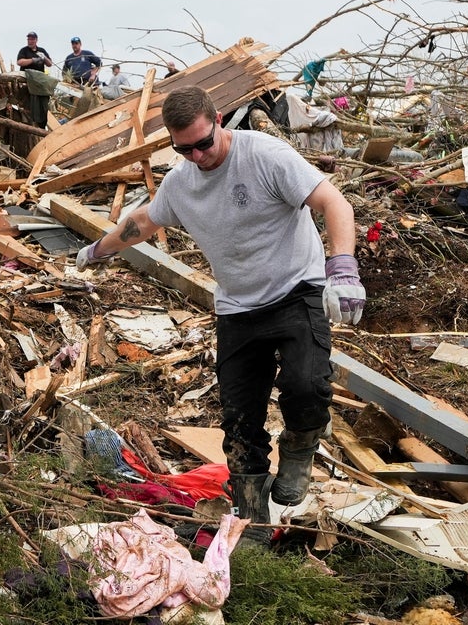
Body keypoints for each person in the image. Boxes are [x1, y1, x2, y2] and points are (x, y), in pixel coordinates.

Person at [75, 86, 365, 544]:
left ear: (219, 120)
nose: (197, 155)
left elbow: (334, 202)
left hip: (296, 291)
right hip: (238, 310)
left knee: (306, 387)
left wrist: (343, 266)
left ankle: (299, 446)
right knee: (239, 423)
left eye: (203, 143)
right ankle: (250, 519)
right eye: (183, 149)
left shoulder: (264, 155)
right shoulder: (182, 182)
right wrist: (98, 249)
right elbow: (144, 221)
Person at [16, 31, 54, 128]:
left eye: (32, 39)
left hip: (40, 83)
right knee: (29, 104)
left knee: (43, 104)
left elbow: (50, 64)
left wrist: (44, 58)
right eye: (29, 39)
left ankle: (42, 123)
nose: (30, 41)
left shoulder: (41, 50)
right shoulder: (24, 51)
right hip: (27, 81)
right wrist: (32, 60)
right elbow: (19, 62)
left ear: (36, 40)